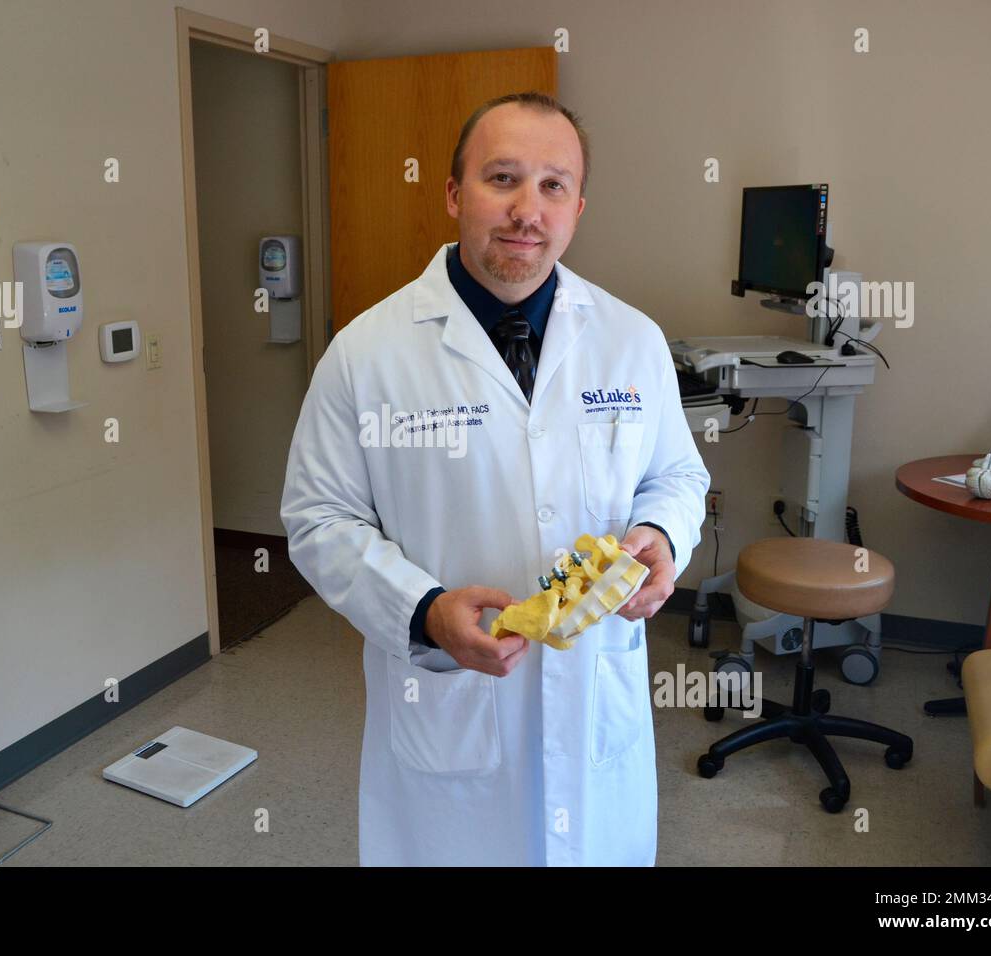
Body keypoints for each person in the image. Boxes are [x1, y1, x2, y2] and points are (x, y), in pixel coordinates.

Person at [281, 91, 709, 865]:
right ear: (454, 195)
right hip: (450, 702)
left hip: (593, 693)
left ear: (578, 206)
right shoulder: (367, 353)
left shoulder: (630, 340)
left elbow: (677, 472)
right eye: (502, 178)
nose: (526, 210)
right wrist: (425, 610)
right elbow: (319, 518)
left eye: (552, 186)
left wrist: (660, 535)